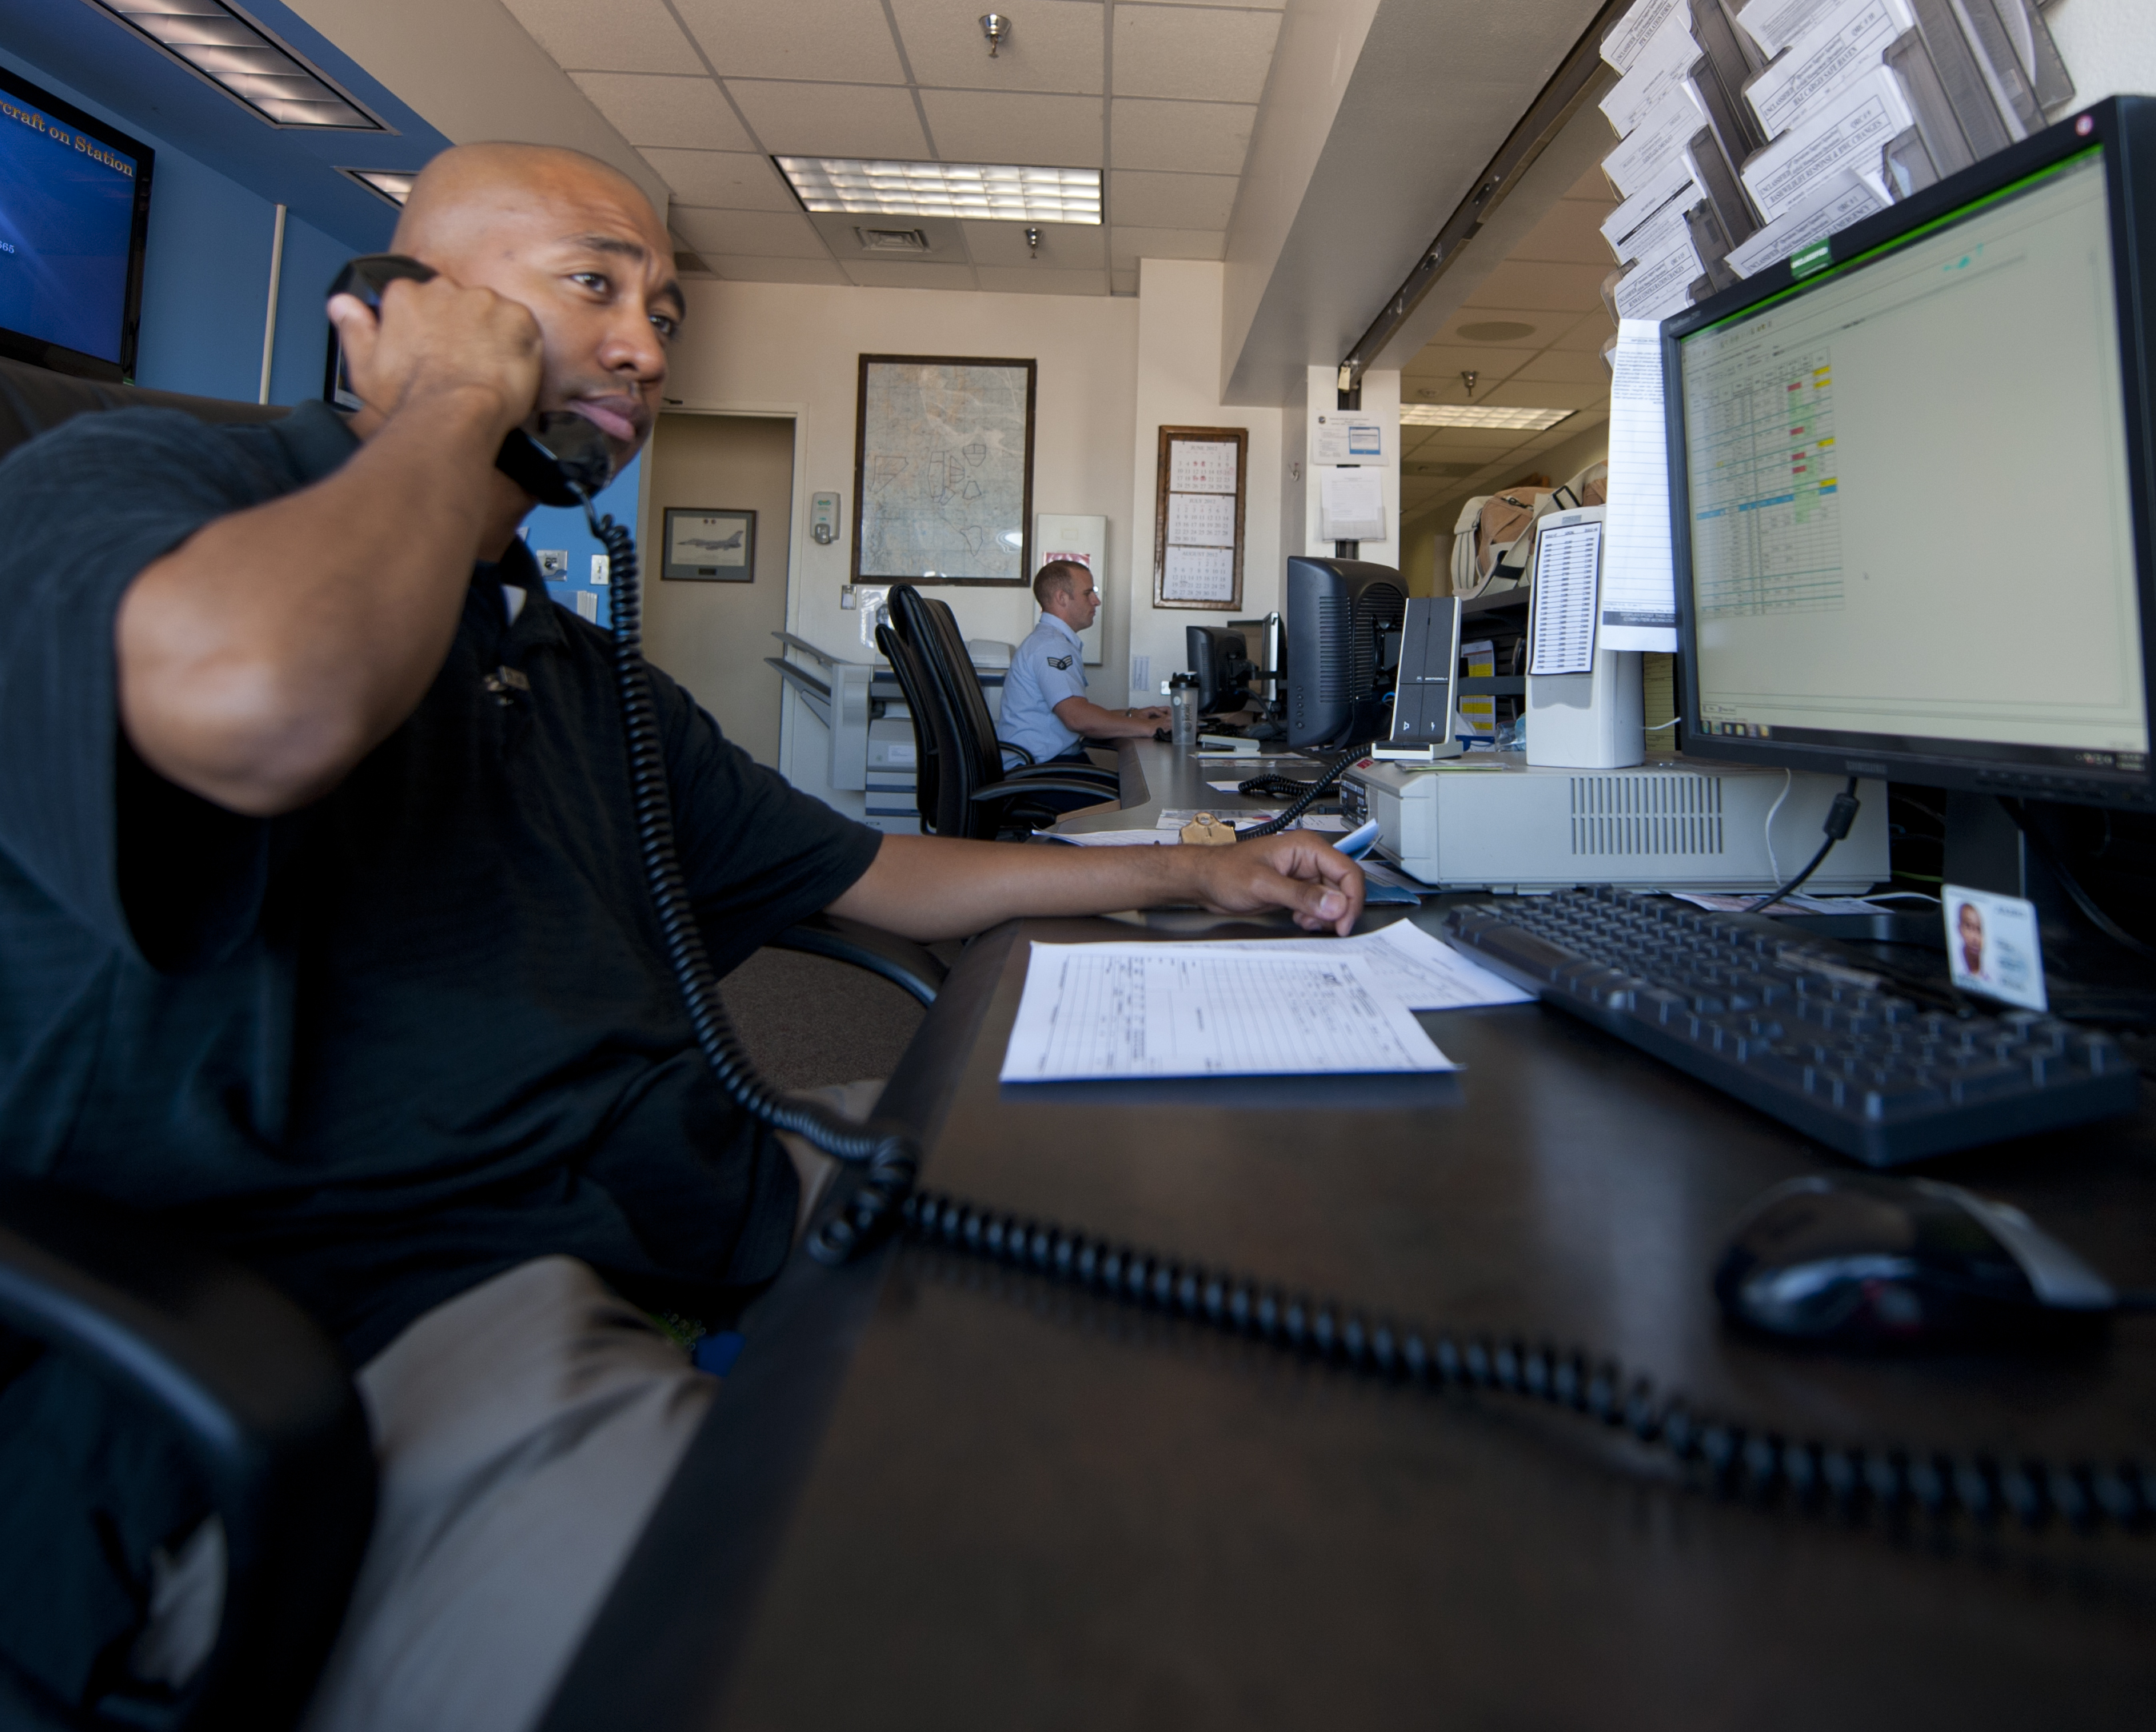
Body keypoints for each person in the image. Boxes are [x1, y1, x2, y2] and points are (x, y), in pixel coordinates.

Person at [0, 142, 1360, 1730]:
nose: (645, 344)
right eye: (591, 287)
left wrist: (1193, 871)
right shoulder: (124, 494)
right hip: (345, 1311)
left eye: (665, 307)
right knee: (804, 1650)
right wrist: (442, 406)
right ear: (381, 317)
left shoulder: (574, 672)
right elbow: (263, 712)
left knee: (1145, 1214)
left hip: (634, 1183)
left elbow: (872, 875)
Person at [998, 558, 1168, 788]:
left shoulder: (1052, 641)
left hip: (1046, 766)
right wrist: (1152, 728)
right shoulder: (1051, 646)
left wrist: (1131, 715)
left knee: (1132, 788)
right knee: (1133, 795)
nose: (1096, 601)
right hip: (1036, 774)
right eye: (1088, 593)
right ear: (1062, 598)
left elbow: (1075, 712)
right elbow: (1077, 718)